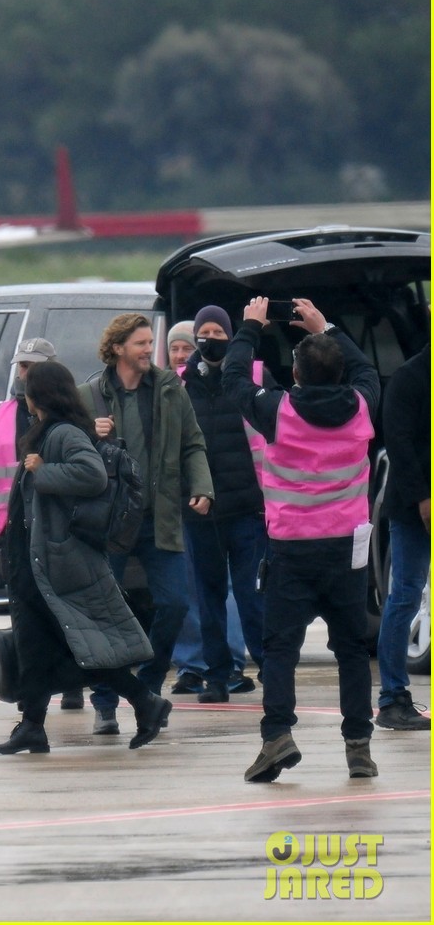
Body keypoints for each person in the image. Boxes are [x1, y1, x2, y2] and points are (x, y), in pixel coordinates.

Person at [223, 297, 380, 781]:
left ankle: (277, 737)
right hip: (347, 549)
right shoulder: (360, 407)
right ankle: (358, 746)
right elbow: (367, 372)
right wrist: (326, 326)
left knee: (280, 649)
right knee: (352, 649)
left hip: (291, 548)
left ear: (295, 373)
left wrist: (249, 327)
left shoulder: (279, 410)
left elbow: (233, 382)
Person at [0, 360, 171, 755]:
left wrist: (44, 471)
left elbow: (93, 476)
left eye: (29, 390)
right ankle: (32, 727)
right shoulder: (45, 431)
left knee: (76, 648)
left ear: (42, 395)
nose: (25, 398)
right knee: (34, 646)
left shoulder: (64, 433)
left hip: (56, 564)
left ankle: (145, 701)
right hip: (34, 562)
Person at [80, 313, 214, 735]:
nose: (147, 349)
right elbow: (61, 444)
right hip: (110, 522)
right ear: (118, 347)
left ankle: (148, 686)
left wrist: (202, 488)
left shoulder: (171, 390)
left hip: (161, 518)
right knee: (105, 614)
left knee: (174, 603)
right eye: (140, 343)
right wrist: (89, 433)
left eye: (148, 342)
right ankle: (104, 700)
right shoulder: (90, 394)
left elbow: (192, 442)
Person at [0, 337, 85, 711]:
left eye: (31, 366)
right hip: (10, 529)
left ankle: (71, 683)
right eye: (21, 366)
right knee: (24, 614)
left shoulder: (68, 418)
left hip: (56, 528)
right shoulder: (1, 417)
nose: (23, 373)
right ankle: (34, 694)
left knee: (62, 608)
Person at [179, 305, 275, 703]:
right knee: (209, 595)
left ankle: (271, 669)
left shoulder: (254, 376)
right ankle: (217, 675)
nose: (211, 338)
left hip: (248, 508)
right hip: (201, 511)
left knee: (253, 595)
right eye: (205, 331)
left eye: (219, 331)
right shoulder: (181, 386)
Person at [374, 342, 430, 730]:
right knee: (406, 595)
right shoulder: (410, 378)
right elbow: (400, 443)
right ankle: (392, 698)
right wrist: (424, 498)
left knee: (407, 594)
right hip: (414, 508)